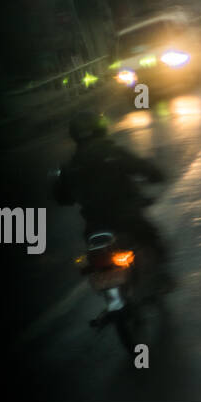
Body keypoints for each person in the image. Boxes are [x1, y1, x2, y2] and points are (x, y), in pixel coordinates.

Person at [55, 110, 174, 290]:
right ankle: (161, 278)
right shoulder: (112, 152)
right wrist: (156, 175)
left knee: (93, 260)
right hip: (126, 217)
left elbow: (62, 197)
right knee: (152, 238)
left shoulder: (71, 166)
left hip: (94, 227)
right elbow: (143, 168)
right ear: (100, 129)